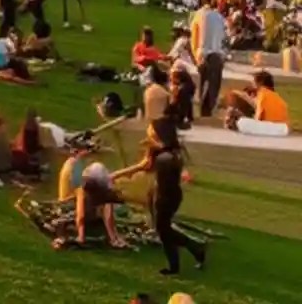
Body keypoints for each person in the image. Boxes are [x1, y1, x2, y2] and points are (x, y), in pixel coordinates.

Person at [113, 115, 206, 275]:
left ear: (159, 133)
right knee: (164, 231)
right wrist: (114, 175)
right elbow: (143, 166)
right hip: (160, 194)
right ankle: (182, 260)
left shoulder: (169, 156)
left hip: (167, 197)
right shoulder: (161, 152)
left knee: (164, 231)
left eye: (151, 131)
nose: (148, 133)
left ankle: (190, 253)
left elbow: (169, 168)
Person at [191, 0, 227, 117]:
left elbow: (194, 38)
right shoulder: (220, 17)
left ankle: (200, 113)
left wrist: (196, 57)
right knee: (213, 88)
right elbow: (224, 39)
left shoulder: (199, 15)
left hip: (204, 54)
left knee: (202, 86)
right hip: (217, 56)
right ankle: (208, 113)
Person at [226, 70, 291, 136]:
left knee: (242, 122)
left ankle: (235, 123)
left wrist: (243, 118)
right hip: (284, 129)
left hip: (274, 128)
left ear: (260, 82)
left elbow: (258, 116)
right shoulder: (274, 95)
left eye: (253, 81)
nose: (252, 83)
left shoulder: (262, 93)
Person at [76, 162, 125, 248]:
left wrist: (114, 237)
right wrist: (81, 237)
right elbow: (80, 214)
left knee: (106, 209)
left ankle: (112, 238)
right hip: (91, 179)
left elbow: (109, 216)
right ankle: (112, 238)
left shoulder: (106, 185)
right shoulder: (83, 185)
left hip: (99, 182)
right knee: (86, 209)